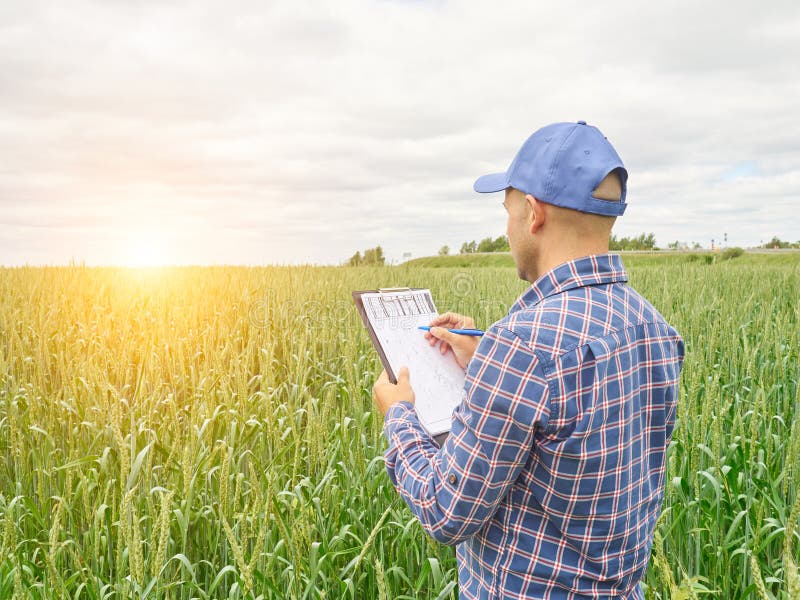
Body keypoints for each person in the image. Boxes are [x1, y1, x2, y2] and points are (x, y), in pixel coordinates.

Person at [372, 121, 685, 599]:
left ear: (533, 213)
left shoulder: (520, 347)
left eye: (508, 211)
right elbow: (571, 427)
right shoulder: (654, 327)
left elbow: (445, 509)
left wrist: (399, 415)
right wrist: (484, 360)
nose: (508, 227)